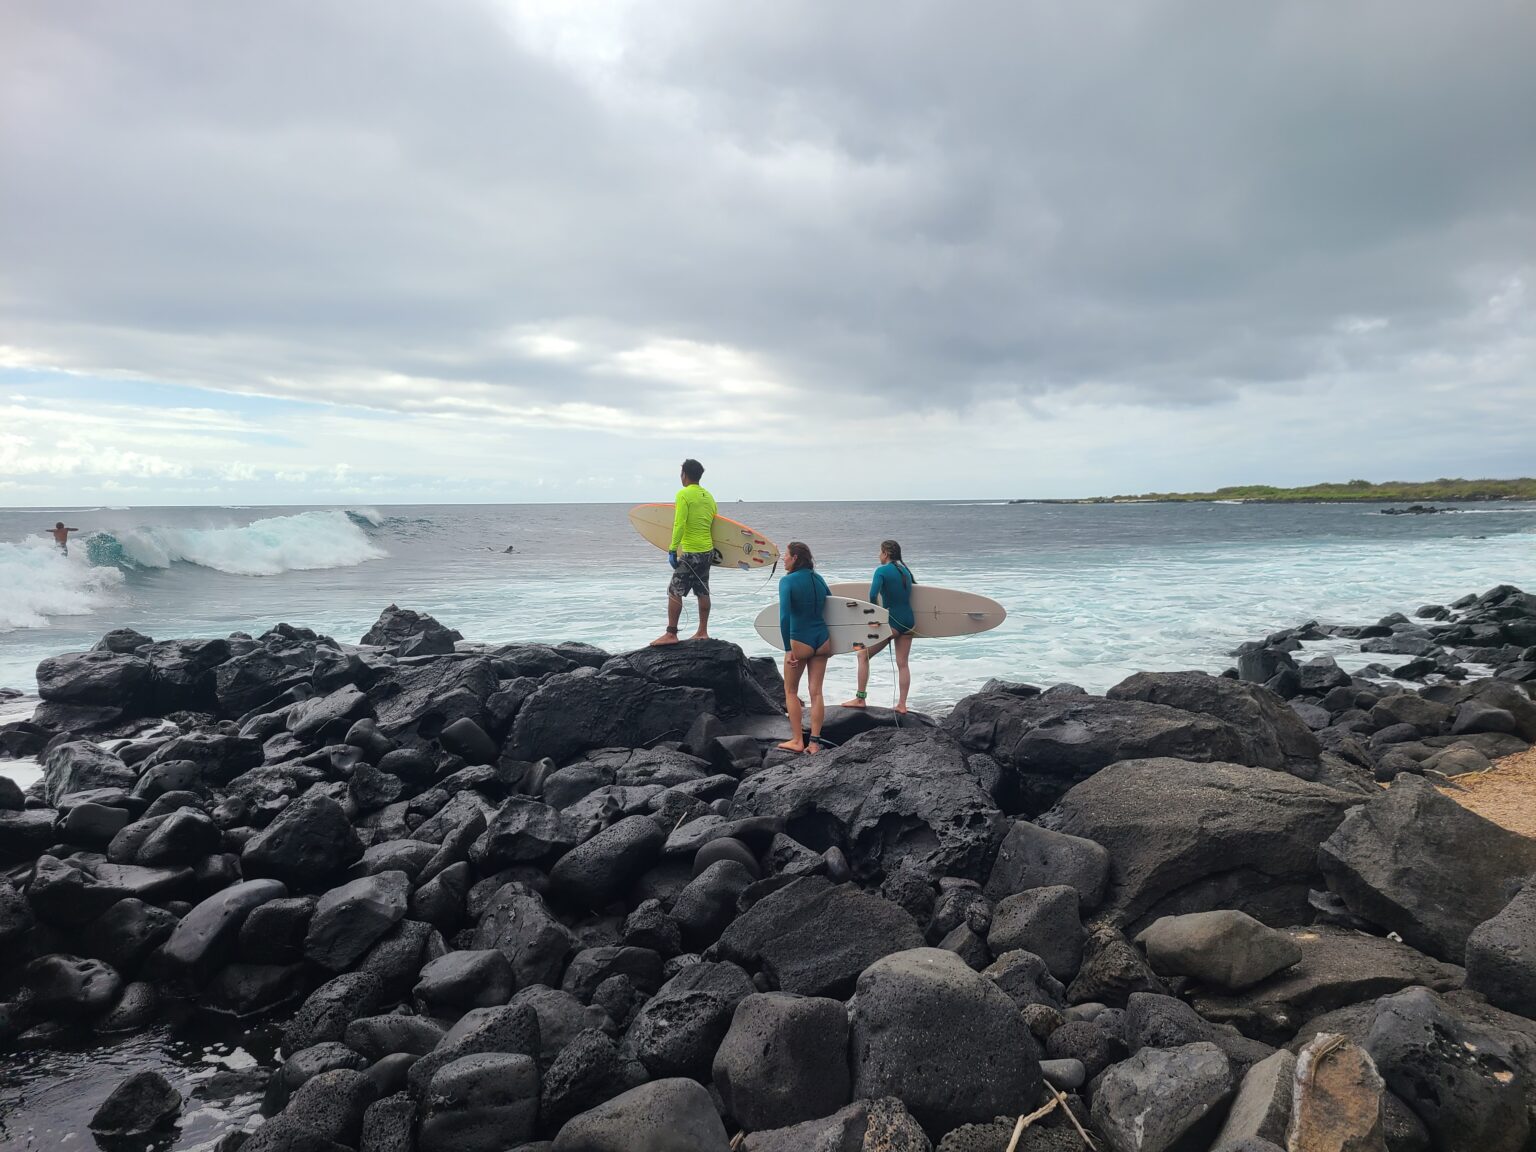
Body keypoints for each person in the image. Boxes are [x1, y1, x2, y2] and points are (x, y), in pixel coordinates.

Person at [842, 538, 917, 713]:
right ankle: (902, 705)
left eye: (880, 551)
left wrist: (876, 617)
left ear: (886, 553)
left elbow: (873, 594)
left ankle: (860, 699)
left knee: (862, 654)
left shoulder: (881, 571)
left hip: (893, 623)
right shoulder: (906, 571)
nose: (879, 555)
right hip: (909, 621)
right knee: (903, 663)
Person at [651, 458, 718, 646]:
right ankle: (702, 631)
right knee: (702, 589)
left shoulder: (683, 495)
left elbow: (679, 523)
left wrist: (673, 549)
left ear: (684, 475)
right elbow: (714, 524)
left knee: (674, 590)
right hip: (707, 552)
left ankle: (671, 633)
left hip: (691, 552)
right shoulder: (709, 497)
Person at [777, 541, 833, 753]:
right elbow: (832, 604)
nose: (783, 558)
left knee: (790, 691)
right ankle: (815, 743)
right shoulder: (818, 579)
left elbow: (784, 617)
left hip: (800, 639)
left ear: (795, 558)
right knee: (816, 692)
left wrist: (787, 648)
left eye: (786, 554)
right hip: (823, 639)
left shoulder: (787, 581)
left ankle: (798, 741)